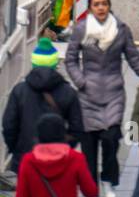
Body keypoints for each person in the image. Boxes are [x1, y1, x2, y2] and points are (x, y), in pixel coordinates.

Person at [66, 0, 139, 197]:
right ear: (90, 8)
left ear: (109, 5)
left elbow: (134, 57)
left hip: (113, 93)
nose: (101, 8)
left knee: (111, 138)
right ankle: (90, 187)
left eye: (104, 3)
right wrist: (80, 81)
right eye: (96, 4)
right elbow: (70, 59)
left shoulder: (121, 29)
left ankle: (108, 180)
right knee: (89, 143)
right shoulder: (81, 29)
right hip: (88, 94)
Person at [2, 36, 83, 171]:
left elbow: (9, 125)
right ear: (55, 63)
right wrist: (64, 148)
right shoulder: (69, 92)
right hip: (57, 161)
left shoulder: (19, 91)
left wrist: (16, 150)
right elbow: (77, 128)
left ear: (33, 63)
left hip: (24, 160)